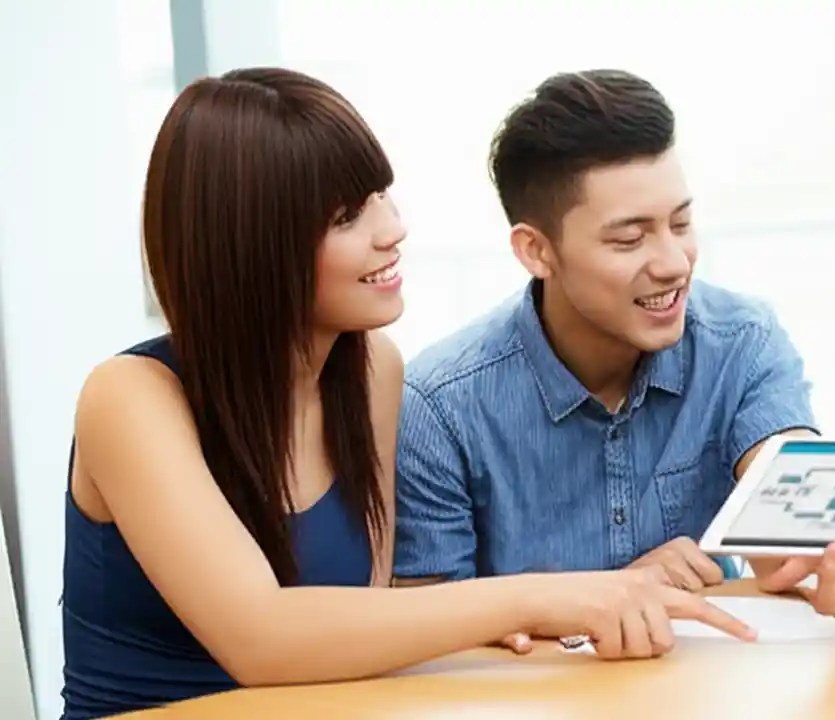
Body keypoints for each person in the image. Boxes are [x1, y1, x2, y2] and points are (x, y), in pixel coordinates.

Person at [60, 67, 753, 720]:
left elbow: (365, 625)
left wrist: (516, 622)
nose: (392, 230)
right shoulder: (131, 399)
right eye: (345, 218)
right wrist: (545, 597)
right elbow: (260, 637)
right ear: (251, 243)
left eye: (380, 196)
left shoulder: (373, 374)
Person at [392, 68, 835, 643]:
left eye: (681, 223)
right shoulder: (436, 406)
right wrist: (601, 599)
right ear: (536, 250)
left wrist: (810, 546)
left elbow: (783, 478)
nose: (673, 262)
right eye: (629, 239)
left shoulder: (740, 340)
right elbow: (426, 637)